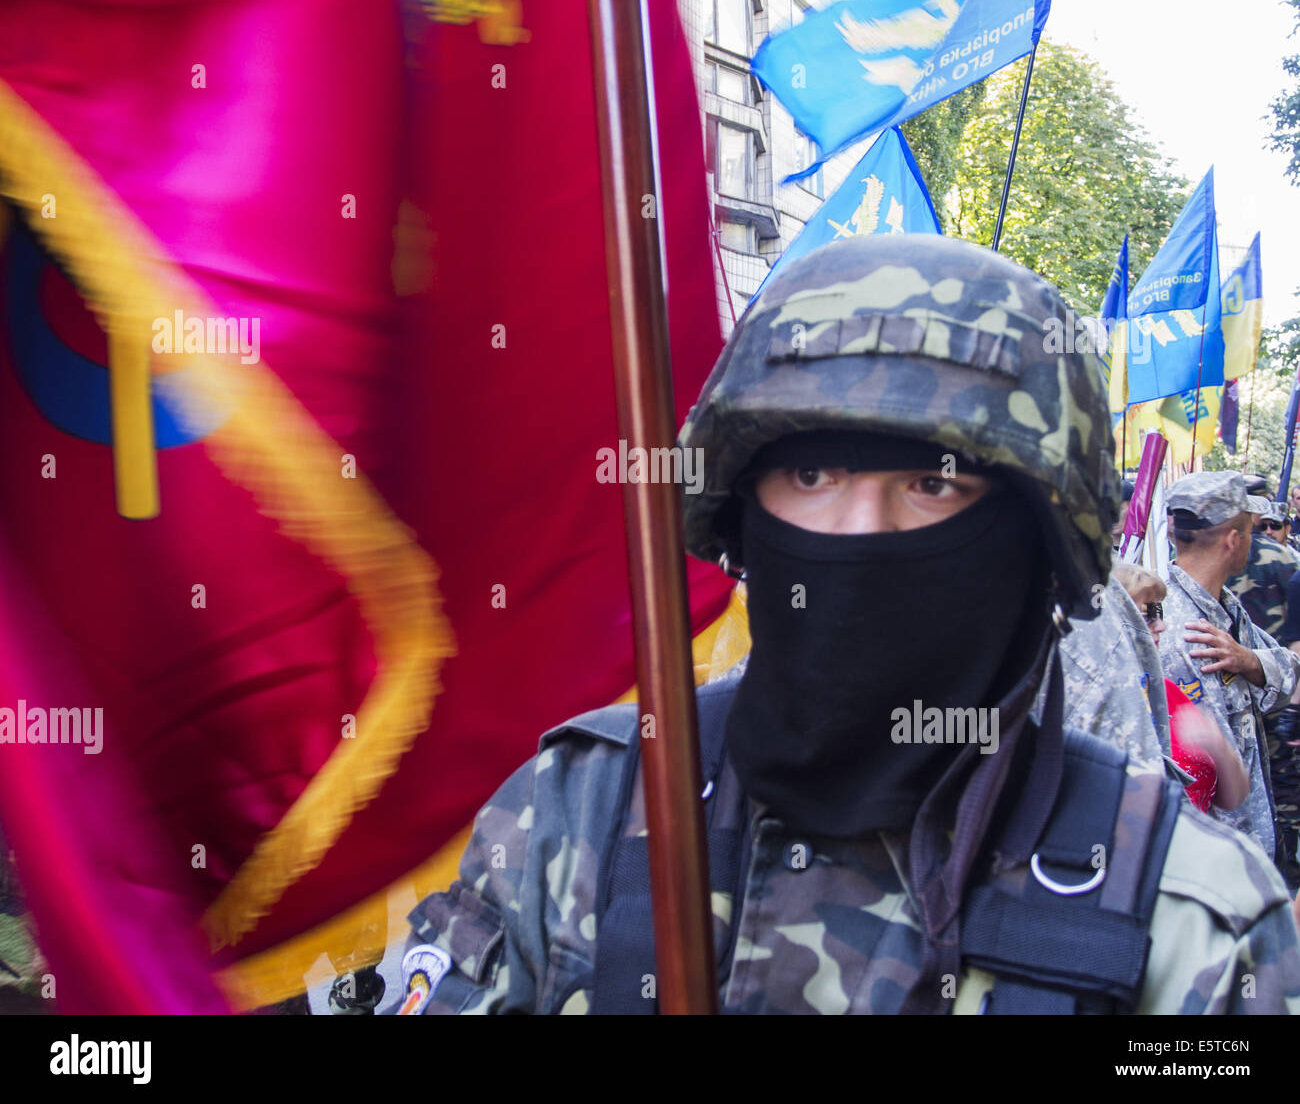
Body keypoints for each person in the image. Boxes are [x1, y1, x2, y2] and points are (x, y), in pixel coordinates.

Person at [400, 236, 1300, 1014]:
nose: (861, 535)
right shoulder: (579, 812)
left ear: (1036, 541)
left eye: (933, 485)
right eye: (814, 478)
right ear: (745, 514)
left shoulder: (1191, 913)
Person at [1160, 471, 1300, 873]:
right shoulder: (1183, 631)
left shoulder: (1224, 610)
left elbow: (1289, 675)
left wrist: (1250, 661)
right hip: (1220, 867)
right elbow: (1214, 776)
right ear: (1234, 541)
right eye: (1251, 532)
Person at [1111, 562, 1248, 813]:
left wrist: (1220, 749)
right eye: (1148, 615)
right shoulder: (1091, 704)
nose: (1161, 625)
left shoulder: (1166, 692)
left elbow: (1232, 800)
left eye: (1159, 611)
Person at [1228, 500, 1298, 639]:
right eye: (1263, 526)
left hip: (1280, 646)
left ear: (1287, 528)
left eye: (1275, 526)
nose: (1269, 531)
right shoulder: (1231, 552)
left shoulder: (1291, 559)